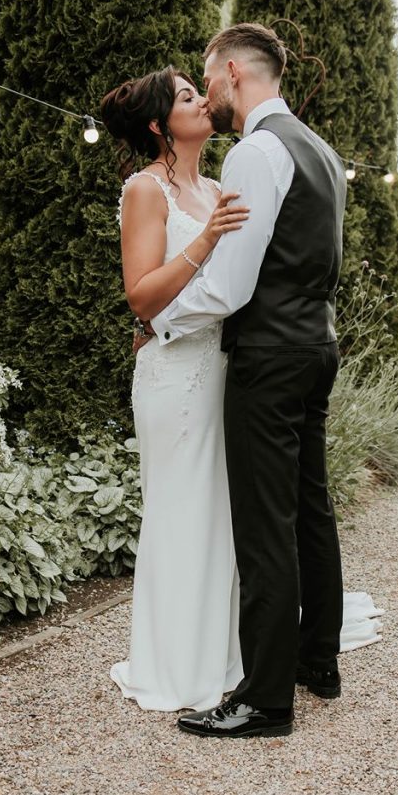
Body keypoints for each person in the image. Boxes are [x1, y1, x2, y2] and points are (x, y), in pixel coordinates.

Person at [148, 24, 347, 739]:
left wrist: (165, 318)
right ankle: (316, 660)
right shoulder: (316, 149)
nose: (206, 95)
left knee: (265, 526)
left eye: (207, 80)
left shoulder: (255, 154)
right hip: (315, 345)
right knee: (310, 509)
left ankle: (265, 699)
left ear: (232, 72)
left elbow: (231, 285)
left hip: (266, 355)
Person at [101, 65, 249, 711]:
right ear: (161, 124)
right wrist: (208, 240)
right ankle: (171, 663)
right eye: (188, 96)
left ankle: (217, 655)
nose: (203, 101)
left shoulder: (217, 185)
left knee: (216, 513)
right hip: (171, 378)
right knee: (179, 510)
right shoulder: (144, 189)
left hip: (219, 369)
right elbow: (141, 294)